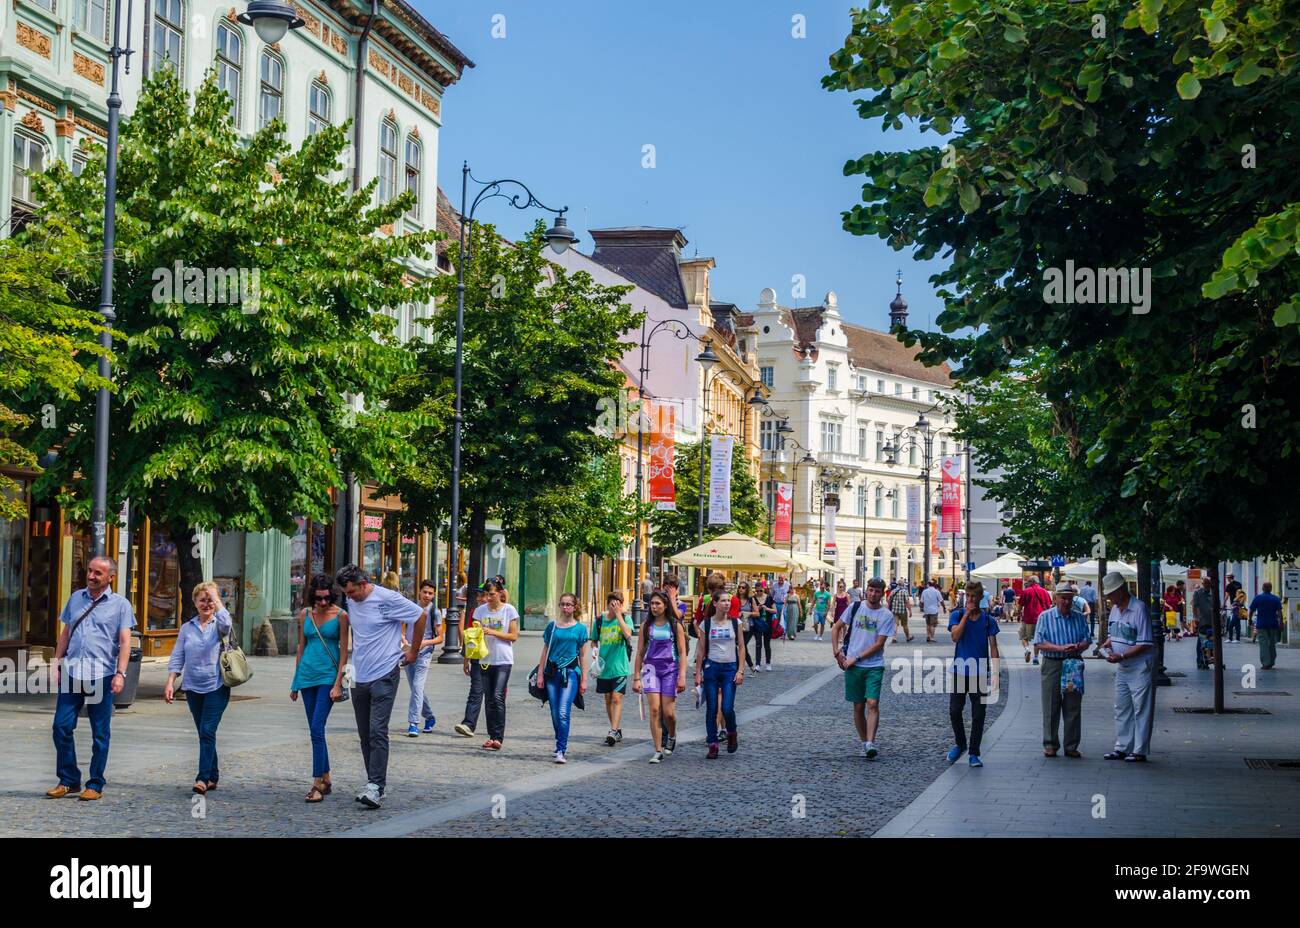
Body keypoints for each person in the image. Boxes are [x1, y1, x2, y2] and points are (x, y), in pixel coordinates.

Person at [47, 555, 137, 801]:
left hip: (102, 674)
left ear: (110, 577)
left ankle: (95, 783)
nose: (91, 576)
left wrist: (121, 673)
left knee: (100, 732)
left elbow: (125, 642)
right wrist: (56, 662)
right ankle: (68, 780)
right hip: (73, 671)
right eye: (89, 571)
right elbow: (65, 633)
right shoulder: (76, 598)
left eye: (97, 573)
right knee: (61, 726)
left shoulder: (120, 605)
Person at [335, 565, 425, 808]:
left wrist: (414, 651)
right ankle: (374, 784)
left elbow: (420, 616)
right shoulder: (352, 602)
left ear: (363, 584)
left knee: (377, 730)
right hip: (359, 674)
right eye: (346, 593)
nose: (349, 597)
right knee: (365, 734)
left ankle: (375, 786)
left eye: (352, 591)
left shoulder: (388, 598)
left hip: (385, 672)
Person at [164, 581, 234, 795]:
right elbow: (178, 655)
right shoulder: (187, 628)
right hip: (193, 687)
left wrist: (217, 598)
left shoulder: (219, 625)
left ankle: (202, 778)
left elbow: (227, 621)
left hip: (216, 685)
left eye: (210, 600)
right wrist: (170, 681)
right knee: (204, 732)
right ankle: (213, 774)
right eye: (202, 600)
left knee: (207, 730)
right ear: (194, 602)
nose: (206, 604)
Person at [290, 573, 348, 803]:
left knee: (316, 728)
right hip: (307, 676)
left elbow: (344, 651)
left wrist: (337, 683)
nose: (323, 603)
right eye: (318, 598)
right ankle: (327, 776)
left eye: (326, 598)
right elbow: (300, 647)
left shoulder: (341, 616)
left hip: (327, 677)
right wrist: (295, 682)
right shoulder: (305, 614)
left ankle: (316, 783)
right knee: (316, 730)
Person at [833, 577, 893, 759]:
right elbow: (836, 628)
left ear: (883, 593)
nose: (873, 594)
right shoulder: (856, 607)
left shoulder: (886, 615)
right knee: (858, 706)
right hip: (852, 665)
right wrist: (837, 653)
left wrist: (856, 657)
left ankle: (870, 742)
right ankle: (864, 742)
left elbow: (879, 644)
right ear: (866, 590)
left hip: (874, 665)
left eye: (877, 591)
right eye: (871, 590)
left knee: (872, 703)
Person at [457, 578, 518, 750]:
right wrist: (467, 658)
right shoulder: (480, 611)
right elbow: (472, 638)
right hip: (484, 659)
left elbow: (513, 636)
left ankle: (498, 736)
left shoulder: (509, 610)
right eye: (486, 594)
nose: (489, 598)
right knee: (489, 699)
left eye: (492, 594)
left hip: (503, 660)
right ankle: (492, 737)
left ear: (500, 593)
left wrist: (492, 631)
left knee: (498, 696)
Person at [1032, 583, 1092, 759]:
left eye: (1069, 598)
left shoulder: (1079, 617)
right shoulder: (1045, 617)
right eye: (1063, 598)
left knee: (1073, 705)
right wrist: (1059, 648)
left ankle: (1071, 745)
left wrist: (1078, 646)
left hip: (1073, 663)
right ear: (1055, 598)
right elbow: (1039, 642)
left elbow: (1087, 640)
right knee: (1050, 704)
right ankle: (1050, 744)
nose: (1066, 602)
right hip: (1053, 663)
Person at [1100, 570, 1154, 762]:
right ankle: (1122, 747)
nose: (1110, 597)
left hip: (1139, 666)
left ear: (1122, 589)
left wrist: (1122, 654)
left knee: (1141, 708)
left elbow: (1145, 642)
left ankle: (1139, 750)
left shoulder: (1139, 608)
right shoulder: (1115, 609)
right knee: (1121, 707)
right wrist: (1109, 643)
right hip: (1123, 667)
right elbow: (1115, 633)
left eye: (1112, 593)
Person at [946, 581, 999, 767]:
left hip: (979, 673)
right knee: (954, 711)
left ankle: (974, 752)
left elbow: (993, 647)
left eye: (973, 596)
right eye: (967, 596)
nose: (970, 599)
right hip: (960, 671)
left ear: (980, 598)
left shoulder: (988, 620)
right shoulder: (957, 615)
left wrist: (995, 672)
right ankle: (960, 744)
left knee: (978, 714)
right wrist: (966, 616)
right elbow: (955, 637)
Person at [633, 591, 687, 763]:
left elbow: (682, 651)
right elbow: (640, 652)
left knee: (668, 713)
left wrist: (682, 675)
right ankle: (657, 750)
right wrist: (636, 677)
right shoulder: (646, 626)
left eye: (658, 604)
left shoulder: (674, 625)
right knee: (655, 710)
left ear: (665, 605)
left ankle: (671, 734)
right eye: (652, 604)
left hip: (670, 670)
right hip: (651, 670)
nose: (654, 607)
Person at [537, 593, 589, 764]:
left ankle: (561, 749)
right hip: (552, 673)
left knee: (563, 711)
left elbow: (582, 656)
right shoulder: (552, 627)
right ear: (559, 606)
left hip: (571, 673)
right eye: (563, 604)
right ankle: (559, 742)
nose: (566, 607)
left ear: (575, 607)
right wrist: (540, 674)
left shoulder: (581, 629)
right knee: (554, 712)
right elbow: (545, 650)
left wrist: (584, 679)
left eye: (569, 604)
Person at [695, 589, 745, 759]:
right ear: (715, 603)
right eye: (723, 600)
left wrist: (740, 670)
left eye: (728, 601)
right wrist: (697, 673)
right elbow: (700, 650)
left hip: (730, 668)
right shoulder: (706, 624)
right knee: (711, 709)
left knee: (727, 708)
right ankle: (713, 743)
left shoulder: (735, 623)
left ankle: (731, 732)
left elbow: (742, 647)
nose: (727, 603)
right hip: (711, 668)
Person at [403, 580, 445, 736]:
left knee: (417, 687)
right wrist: (403, 640)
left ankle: (413, 723)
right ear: (419, 592)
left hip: (424, 654)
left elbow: (440, 637)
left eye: (431, 593)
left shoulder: (435, 612)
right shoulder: (410, 608)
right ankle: (429, 716)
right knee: (415, 688)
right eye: (425, 592)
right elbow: (401, 627)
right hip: (408, 652)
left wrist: (425, 642)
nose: (427, 596)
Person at [595, 591, 633, 746]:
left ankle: (613, 730)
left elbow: (628, 634)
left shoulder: (625, 618)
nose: (614, 607)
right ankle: (615, 729)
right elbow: (594, 640)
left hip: (620, 666)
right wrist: (594, 650)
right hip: (604, 667)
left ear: (621, 605)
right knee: (608, 699)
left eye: (617, 604)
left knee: (617, 698)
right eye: (611, 604)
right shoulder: (600, 620)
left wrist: (618, 615)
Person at [1249, 581, 1283, 670]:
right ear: (1271, 589)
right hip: (1273, 624)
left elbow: (1251, 610)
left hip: (1261, 624)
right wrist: (1281, 623)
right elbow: (1280, 612)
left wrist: (1249, 619)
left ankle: (1266, 663)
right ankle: (1271, 662)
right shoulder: (1275, 599)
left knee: (1263, 644)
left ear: (1262, 588)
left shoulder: (1258, 598)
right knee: (1272, 643)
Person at [1018, 577, 1052, 664]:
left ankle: (1027, 650)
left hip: (1028, 618)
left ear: (1032, 581)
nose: (1027, 583)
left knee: (1023, 636)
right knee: (1038, 639)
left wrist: (1018, 614)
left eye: (1028, 581)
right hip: (1041, 619)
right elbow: (1049, 606)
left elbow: (1021, 605)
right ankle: (1036, 658)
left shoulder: (1026, 591)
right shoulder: (1044, 591)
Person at [749, 581, 777, 671]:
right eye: (757, 591)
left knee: (767, 644)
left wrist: (766, 608)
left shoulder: (769, 598)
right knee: (758, 644)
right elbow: (750, 611)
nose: (759, 593)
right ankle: (757, 664)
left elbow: (775, 610)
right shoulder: (753, 598)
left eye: (760, 591)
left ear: (763, 589)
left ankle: (768, 663)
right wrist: (758, 609)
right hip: (757, 623)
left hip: (768, 623)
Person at [1191, 577, 1214, 670]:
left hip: (1212, 621)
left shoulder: (1213, 592)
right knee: (1202, 640)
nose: (1207, 585)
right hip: (1203, 621)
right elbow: (1194, 606)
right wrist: (1196, 617)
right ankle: (1201, 661)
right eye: (1205, 583)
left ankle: (1209, 659)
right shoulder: (1198, 593)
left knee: (1211, 641)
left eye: (1208, 583)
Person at [735, 581, 758, 673]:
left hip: (749, 626)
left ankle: (743, 668)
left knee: (742, 646)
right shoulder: (735, 599)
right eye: (739, 587)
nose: (741, 589)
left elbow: (757, 613)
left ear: (747, 589)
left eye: (743, 587)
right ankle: (750, 666)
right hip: (737, 626)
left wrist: (749, 613)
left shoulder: (750, 600)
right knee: (740, 646)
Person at [919, 579, 944, 643]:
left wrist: (921, 608)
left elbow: (921, 602)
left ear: (928, 584)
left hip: (927, 610)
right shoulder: (936, 591)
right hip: (934, 611)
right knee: (932, 625)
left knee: (928, 624)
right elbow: (941, 601)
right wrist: (944, 608)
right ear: (934, 585)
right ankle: (932, 637)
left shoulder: (924, 591)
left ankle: (928, 635)